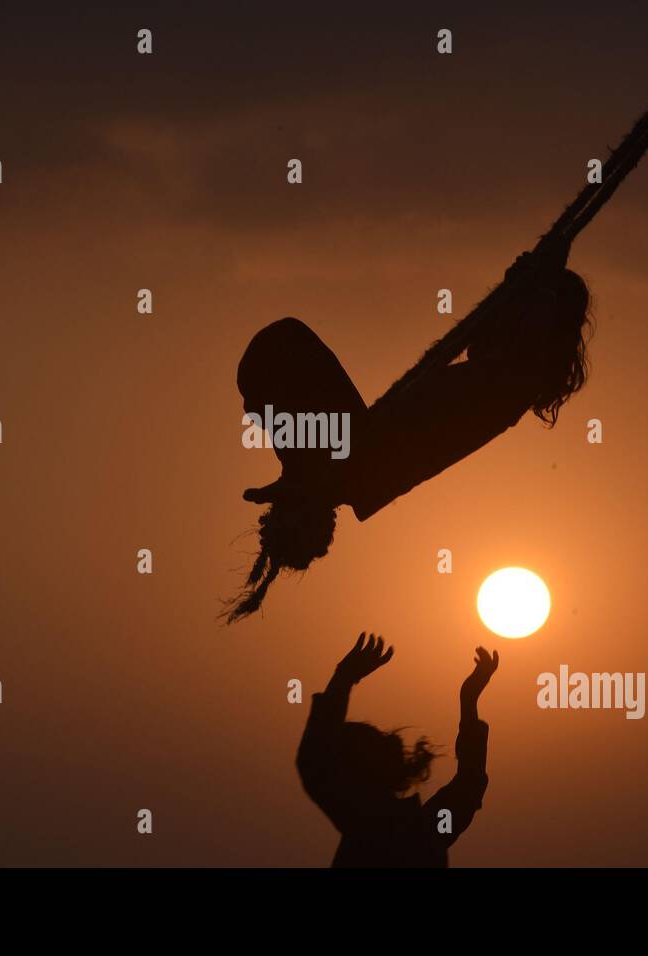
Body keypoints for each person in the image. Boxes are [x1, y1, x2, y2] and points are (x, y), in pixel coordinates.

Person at [226, 242, 591, 621]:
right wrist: (541, 278)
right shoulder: (513, 378)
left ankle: (295, 493)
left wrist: (534, 281)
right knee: (269, 385)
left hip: (342, 453)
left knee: (267, 385)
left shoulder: (350, 472)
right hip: (350, 452)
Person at [296, 632, 499, 867]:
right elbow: (469, 782)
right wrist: (469, 700)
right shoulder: (428, 830)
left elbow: (314, 762)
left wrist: (343, 678)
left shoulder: (363, 823)